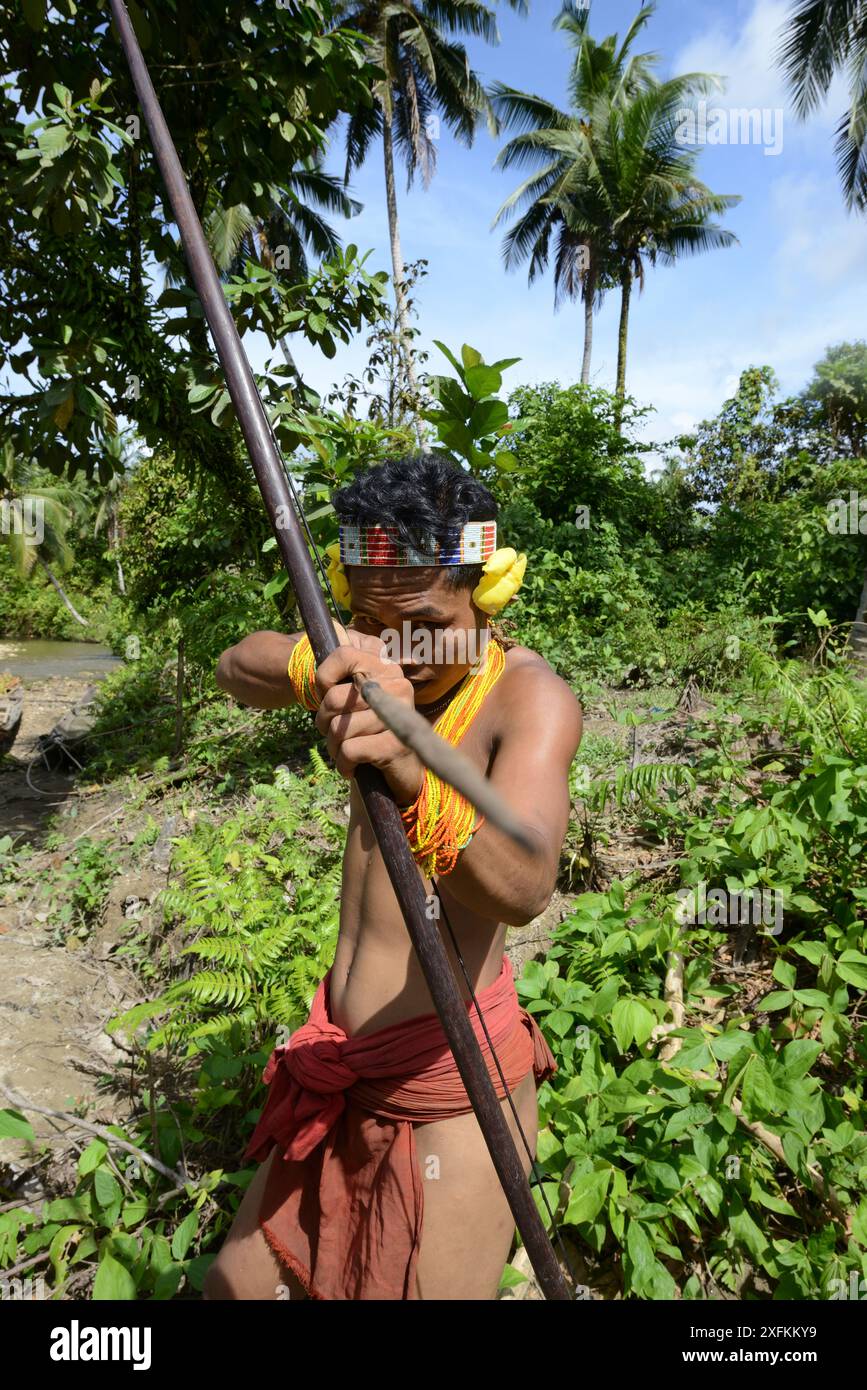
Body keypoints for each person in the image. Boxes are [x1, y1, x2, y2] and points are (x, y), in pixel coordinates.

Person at [204, 452, 582, 1301]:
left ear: (485, 590)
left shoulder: (528, 699)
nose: (396, 651)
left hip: (447, 1082)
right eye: (368, 620)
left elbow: (523, 888)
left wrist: (415, 768)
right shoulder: (375, 661)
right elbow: (235, 666)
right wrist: (322, 662)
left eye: (417, 620)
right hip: (337, 1060)